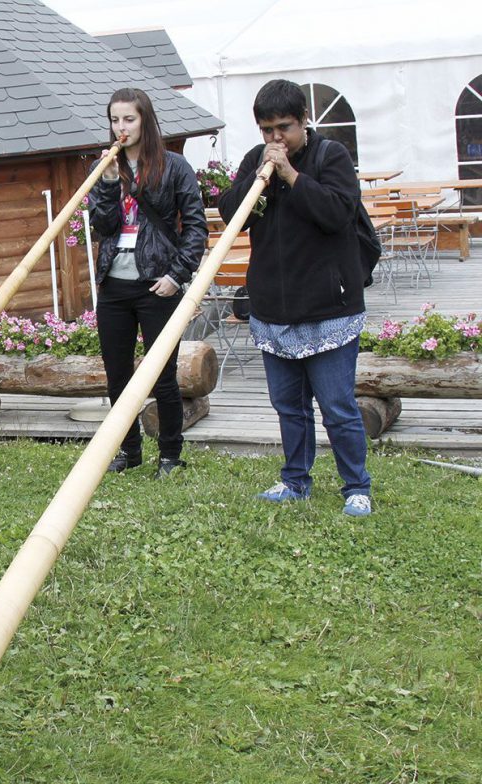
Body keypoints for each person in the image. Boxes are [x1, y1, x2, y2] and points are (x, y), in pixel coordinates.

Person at [218, 79, 372, 517]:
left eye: (283, 128)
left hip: (328, 306)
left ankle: (356, 486)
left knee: (338, 407)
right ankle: (295, 480)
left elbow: (338, 214)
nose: (274, 139)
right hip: (274, 304)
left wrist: (290, 175)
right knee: (288, 406)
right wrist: (258, 176)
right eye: (266, 130)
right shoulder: (255, 160)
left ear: (304, 120)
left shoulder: (331, 156)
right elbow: (231, 214)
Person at [87, 88, 206, 478]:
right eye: (115, 120)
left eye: (129, 119)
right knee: (118, 375)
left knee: (162, 375)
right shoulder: (106, 166)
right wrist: (105, 184)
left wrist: (177, 276)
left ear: (146, 121)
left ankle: (170, 454)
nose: (121, 127)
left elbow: (195, 228)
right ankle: (129, 450)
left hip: (158, 283)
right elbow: (102, 228)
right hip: (114, 287)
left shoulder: (173, 165)